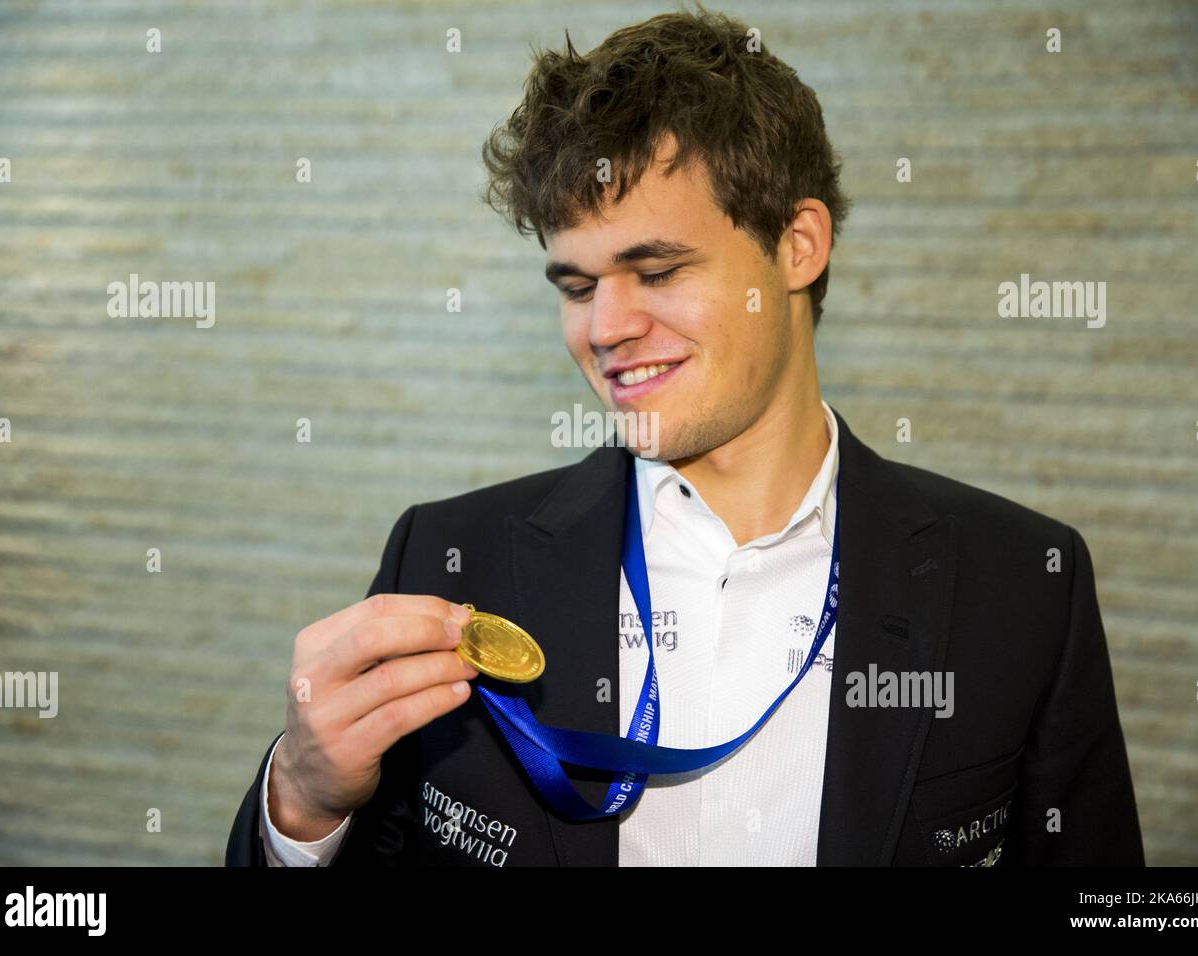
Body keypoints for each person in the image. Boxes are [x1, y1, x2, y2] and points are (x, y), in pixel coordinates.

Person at [226, 6, 1143, 867]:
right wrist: (303, 806)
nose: (605, 327)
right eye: (576, 287)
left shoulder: (1025, 583)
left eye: (655, 270)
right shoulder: (447, 556)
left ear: (798, 246)